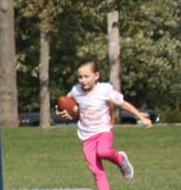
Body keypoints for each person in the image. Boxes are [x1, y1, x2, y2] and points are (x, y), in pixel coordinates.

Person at [57, 58, 154, 189]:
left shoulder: (105, 90)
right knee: (96, 171)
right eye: (80, 77)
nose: (83, 80)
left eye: (86, 76)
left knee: (103, 152)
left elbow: (123, 104)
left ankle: (120, 160)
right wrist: (61, 112)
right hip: (86, 136)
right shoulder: (76, 91)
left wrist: (141, 117)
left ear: (96, 75)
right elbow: (66, 104)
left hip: (103, 131)